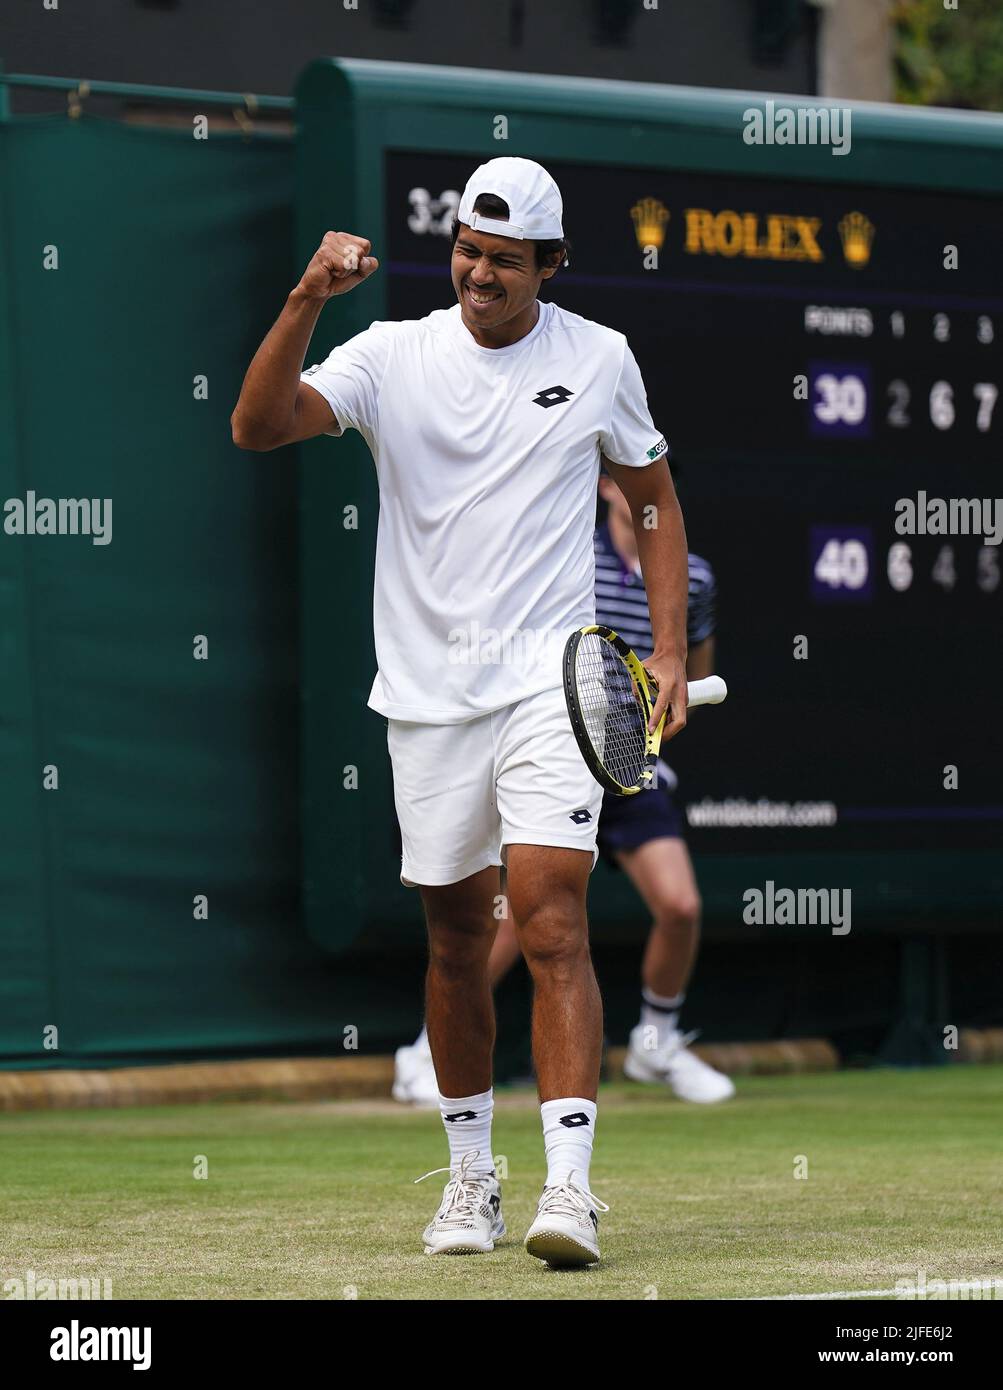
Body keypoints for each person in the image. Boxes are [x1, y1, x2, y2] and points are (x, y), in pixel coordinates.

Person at [231, 157, 690, 1269]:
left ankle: (570, 1191)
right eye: (469, 251)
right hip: (427, 695)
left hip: (549, 679)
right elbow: (257, 425)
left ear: (549, 265)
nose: (480, 272)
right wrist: (305, 298)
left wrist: (668, 648)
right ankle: (469, 1177)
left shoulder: (599, 358)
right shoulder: (389, 353)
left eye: (506, 258)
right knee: (451, 943)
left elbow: (652, 497)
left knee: (548, 916)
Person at [395, 472, 734, 1108]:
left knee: (682, 906)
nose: (631, 495)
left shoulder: (694, 577)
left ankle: (655, 1047)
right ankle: (421, 1052)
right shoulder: (565, 559)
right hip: (551, 754)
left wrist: (649, 731)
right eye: (617, 482)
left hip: (632, 768)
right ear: (605, 489)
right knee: (512, 921)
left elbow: (692, 667)